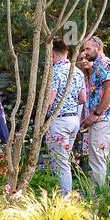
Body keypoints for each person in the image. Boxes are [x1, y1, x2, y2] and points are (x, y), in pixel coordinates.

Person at [79, 36, 110, 185]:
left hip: (103, 117)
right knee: (103, 157)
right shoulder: (97, 65)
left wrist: (95, 114)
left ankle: (100, 197)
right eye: (84, 49)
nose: (84, 53)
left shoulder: (104, 63)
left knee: (98, 158)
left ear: (99, 48)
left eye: (88, 48)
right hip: (104, 117)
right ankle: (108, 196)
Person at [43, 36, 86, 196]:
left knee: (61, 164)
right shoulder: (78, 72)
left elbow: (50, 100)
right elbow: (83, 98)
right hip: (74, 119)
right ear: (66, 52)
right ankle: (65, 196)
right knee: (64, 160)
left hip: (59, 121)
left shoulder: (55, 72)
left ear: (52, 54)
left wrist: (41, 119)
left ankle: (64, 200)